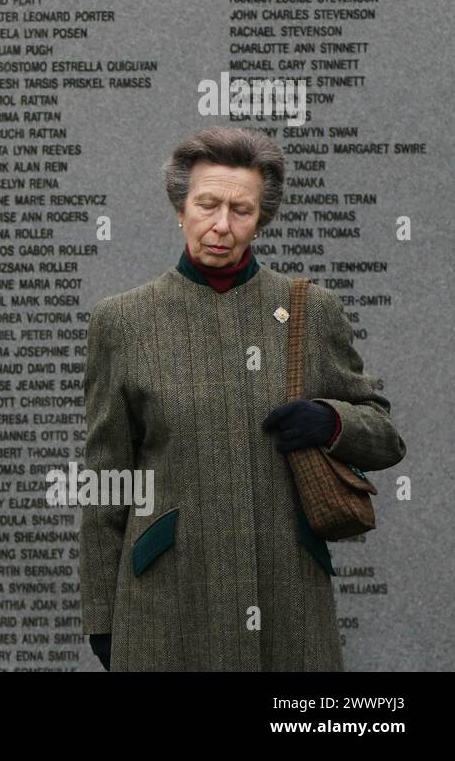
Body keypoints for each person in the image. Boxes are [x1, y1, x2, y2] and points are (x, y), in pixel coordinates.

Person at [78, 126, 405, 671]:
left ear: (262, 220)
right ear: (180, 208)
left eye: (241, 210)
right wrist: (101, 617)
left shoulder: (311, 310)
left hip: (286, 592)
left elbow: (386, 438)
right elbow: (107, 478)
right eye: (207, 204)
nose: (221, 226)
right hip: (167, 594)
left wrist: (331, 421)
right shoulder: (123, 322)